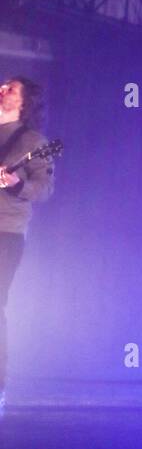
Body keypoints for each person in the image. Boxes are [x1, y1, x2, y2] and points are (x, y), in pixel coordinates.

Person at [0, 77, 55, 409]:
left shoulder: (33, 141)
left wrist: (17, 184)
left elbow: (45, 189)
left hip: (5, 233)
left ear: (24, 103)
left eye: (10, 88)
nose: (2, 89)